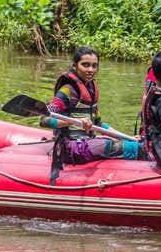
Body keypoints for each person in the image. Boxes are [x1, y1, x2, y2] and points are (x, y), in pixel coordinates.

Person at [42, 47, 141, 181]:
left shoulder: (91, 90)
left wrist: (126, 137)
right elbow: (44, 120)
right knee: (112, 146)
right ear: (75, 65)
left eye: (94, 66)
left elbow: (99, 124)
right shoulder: (67, 91)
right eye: (85, 65)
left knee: (133, 143)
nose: (90, 70)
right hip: (70, 148)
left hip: (87, 143)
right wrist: (73, 121)